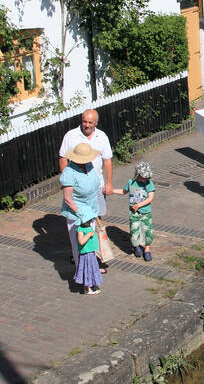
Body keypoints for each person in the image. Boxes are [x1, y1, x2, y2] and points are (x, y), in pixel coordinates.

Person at [59, 110, 114, 269]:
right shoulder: (71, 136)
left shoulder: (102, 137)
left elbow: (107, 161)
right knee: (79, 224)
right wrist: (67, 180)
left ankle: (97, 254)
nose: (87, 125)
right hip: (77, 191)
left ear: (96, 123)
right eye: (84, 122)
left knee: (97, 221)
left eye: (90, 123)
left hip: (96, 187)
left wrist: (109, 183)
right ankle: (81, 255)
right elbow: (62, 158)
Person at [61, 144, 103, 265]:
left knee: (90, 243)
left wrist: (92, 213)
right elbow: (68, 199)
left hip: (91, 211)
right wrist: (83, 215)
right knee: (80, 247)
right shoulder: (69, 173)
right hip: (78, 216)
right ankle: (83, 275)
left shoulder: (88, 165)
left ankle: (92, 268)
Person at [118, 162, 155, 261]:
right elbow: (123, 191)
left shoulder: (149, 184)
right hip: (134, 213)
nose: (146, 179)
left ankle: (147, 249)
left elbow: (150, 198)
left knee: (147, 231)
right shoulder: (131, 182)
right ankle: (136, 246)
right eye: (144, 177)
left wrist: (139, 205)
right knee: (134, 230)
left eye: (147, 177)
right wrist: (111, 190)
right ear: (138, 175)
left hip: (145, 212)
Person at [73, 203, 102, 295]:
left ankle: (91, 284)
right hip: (86, 254)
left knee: (91, 269)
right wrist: (89, 235)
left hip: (91, 253)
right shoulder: (81, 229)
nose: (91, 221)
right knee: (87, 270)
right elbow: (81, 241)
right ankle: (87, 288)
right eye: (89, 219)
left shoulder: (88, 226)